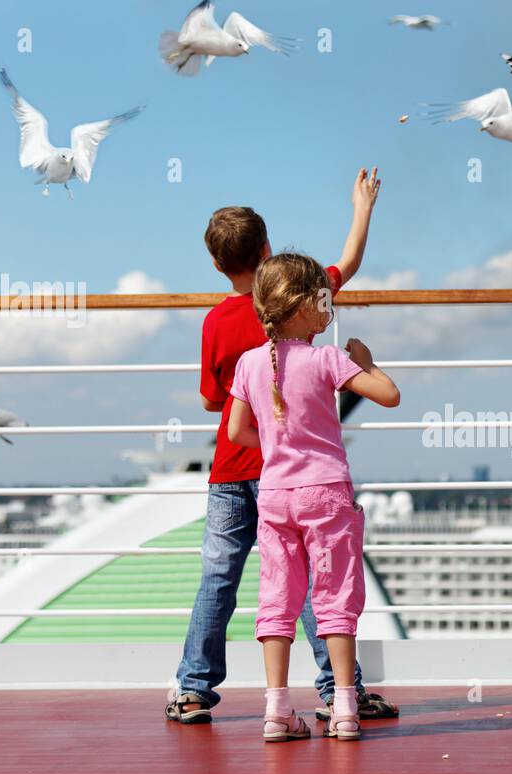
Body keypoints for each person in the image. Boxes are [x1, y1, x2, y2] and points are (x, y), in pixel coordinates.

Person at [166, 168, 399, 725]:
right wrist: (362, 205)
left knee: (221, 579)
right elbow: (351, 258)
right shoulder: (299, 302)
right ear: (269, 251)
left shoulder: (217, 324)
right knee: (324, 577)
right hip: (306, 476)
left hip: (234, 473)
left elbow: (210, 402)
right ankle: (337, 692)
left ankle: (194, 687)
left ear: (217, 264)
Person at [228, 252, 400, 741]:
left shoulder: (249, 362)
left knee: (277, 600)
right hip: (325, 494)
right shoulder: (328, 358)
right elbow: (389, 395)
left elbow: (239, 430)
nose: (329, 308)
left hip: (276, 496)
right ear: (303, 307)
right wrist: (367, 363)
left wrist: (275, 444)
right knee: (336, 598)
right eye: (323, 301)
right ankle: (345, 708)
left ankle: (276, 711)